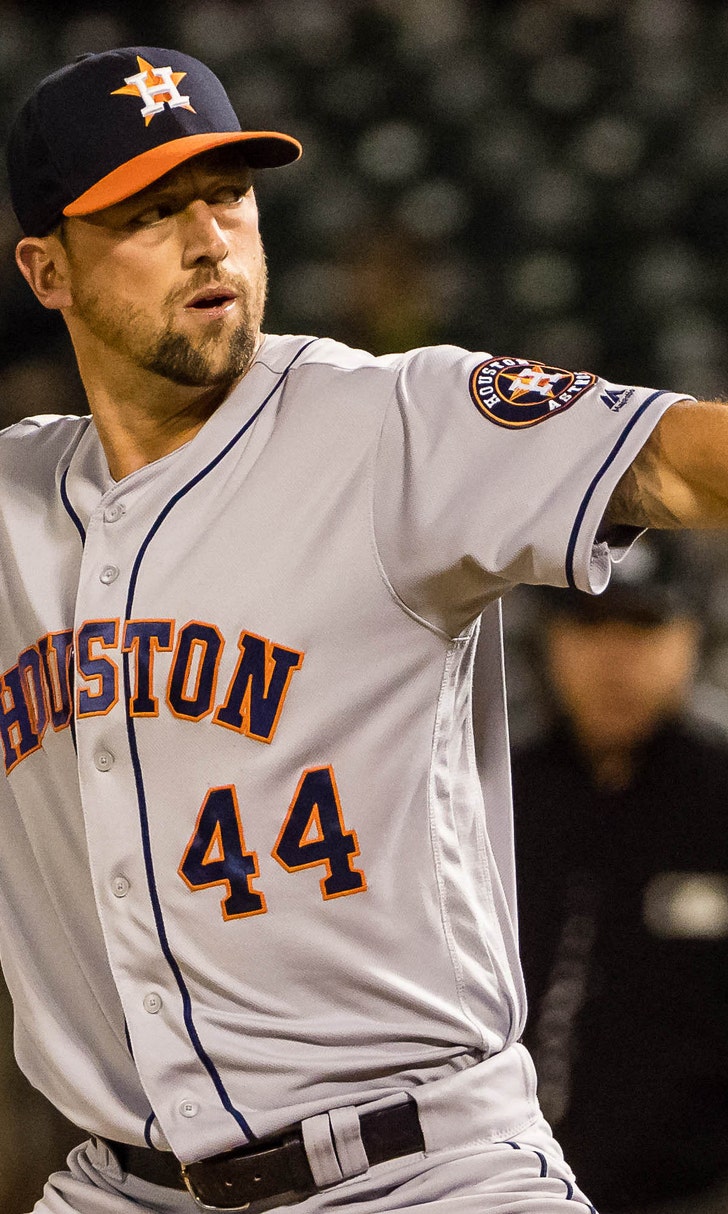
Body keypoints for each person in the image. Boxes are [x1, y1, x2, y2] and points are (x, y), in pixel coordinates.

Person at [3, 43, 728, 1214]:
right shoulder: (14, 500)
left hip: (423, 1171)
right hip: (119, 1186)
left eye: (226, 197)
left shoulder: (389, 422)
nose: (209, 242)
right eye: (148, 214)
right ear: (47, 270)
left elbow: (689, 467)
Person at [511, 534, 728, 1213]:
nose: (614, 657)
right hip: (502, 1188)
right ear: (548, 640)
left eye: (643, 625)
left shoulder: (719, 800)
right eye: (589, 624)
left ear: (693, 636)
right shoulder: (490, 798)